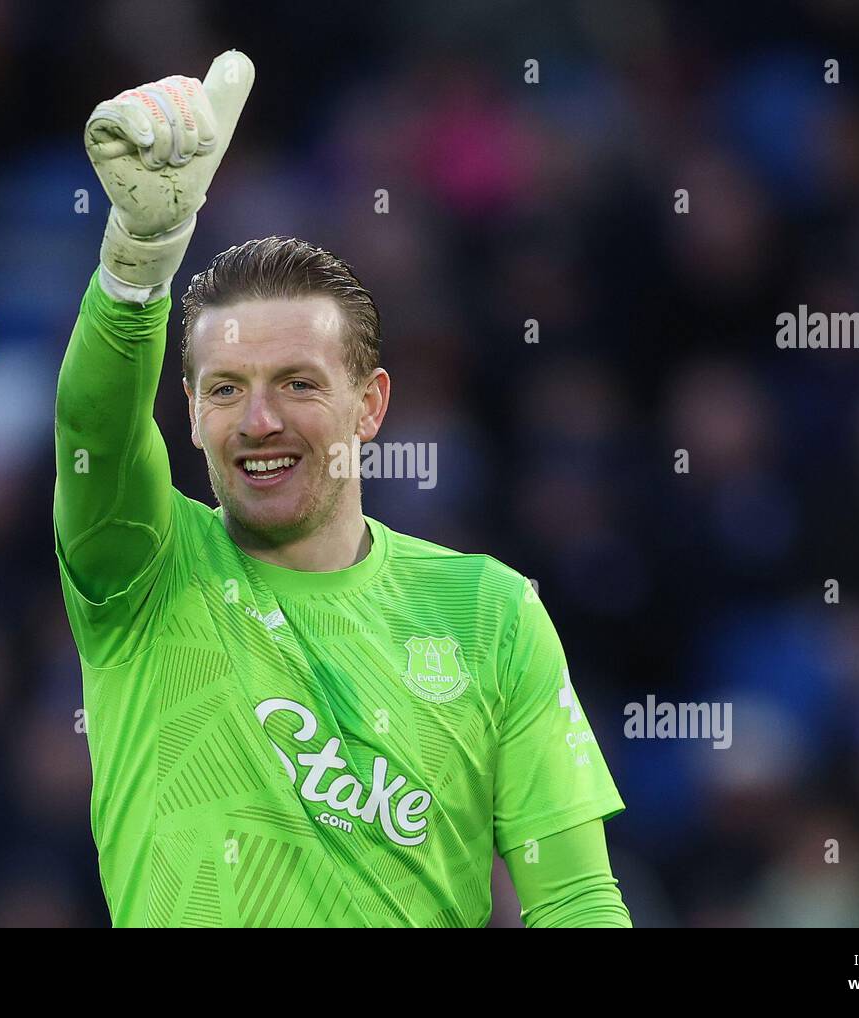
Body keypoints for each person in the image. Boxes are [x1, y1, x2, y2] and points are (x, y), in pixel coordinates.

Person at [53, 50, 631, 927]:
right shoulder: (143, 571)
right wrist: (136, 265)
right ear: (192, 411)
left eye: (297, 382)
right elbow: (94, 433)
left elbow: (577, 900)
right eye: (225, 388)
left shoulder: (488, 612)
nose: (258, 421)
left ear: (370, 405)